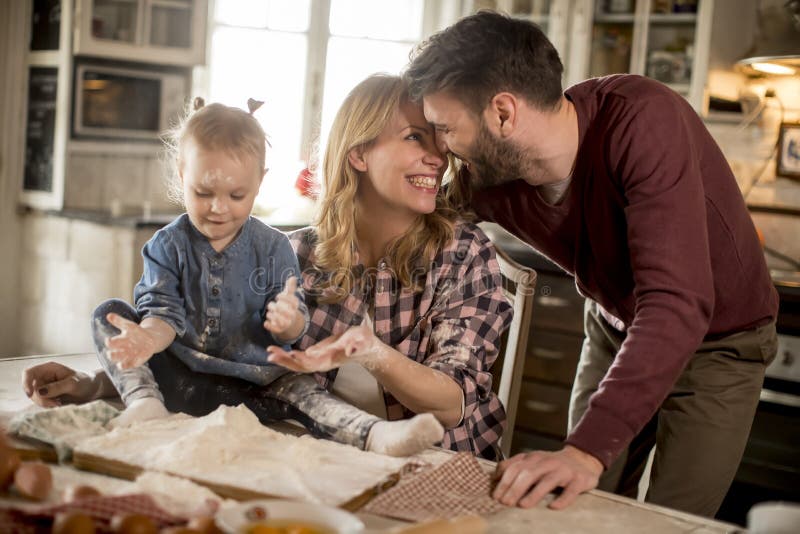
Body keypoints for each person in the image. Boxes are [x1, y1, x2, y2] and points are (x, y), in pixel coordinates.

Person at [404, 10, 779, 516]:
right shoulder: (488, 174)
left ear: (503, 113)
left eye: (446, 128)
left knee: (669, 520)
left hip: (721, 344)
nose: (443, 148)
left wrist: (584, 452)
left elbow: (676, 302)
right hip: (615, 328)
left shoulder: (642, 120)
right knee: (587, 508)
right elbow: (409, 220)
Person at [23, 74, 514, 460]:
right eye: (415, 138)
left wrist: (372, 353)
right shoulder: (294, 254)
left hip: (438, 469)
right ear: (359, 153)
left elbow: (452, 405)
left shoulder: (463, 255)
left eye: (439, 142)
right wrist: (94, 383)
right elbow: (210, 356)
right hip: (319, 458)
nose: (438, 158)